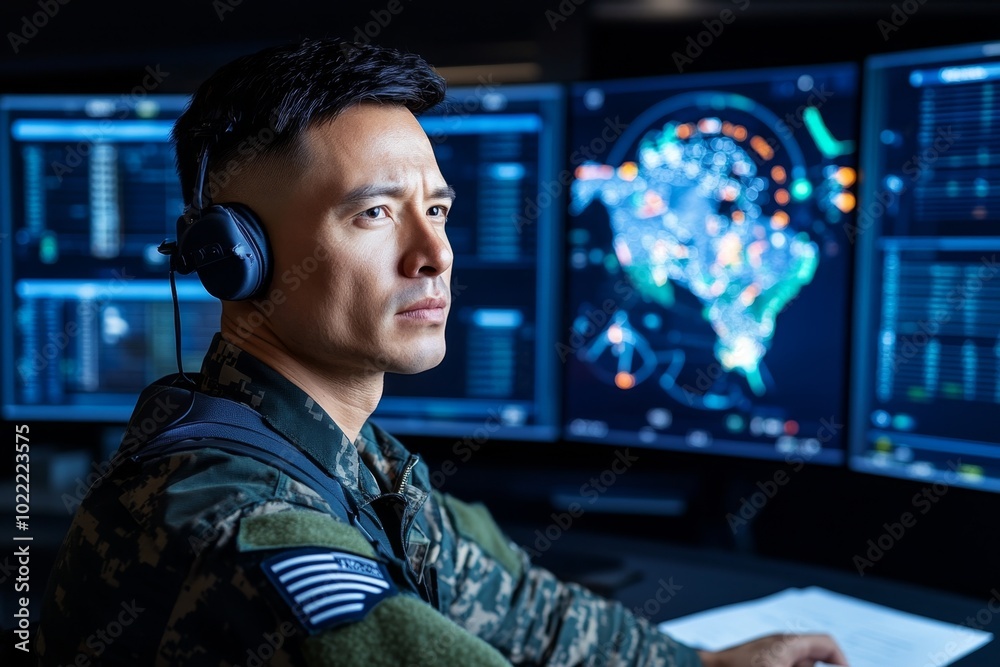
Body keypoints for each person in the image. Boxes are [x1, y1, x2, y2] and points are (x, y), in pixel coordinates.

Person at [36, 37, 848, 667]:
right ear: (235, 257)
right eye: (375, 215)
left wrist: (697, 660)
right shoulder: (254, 534)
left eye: (439, 208)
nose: (436, 254)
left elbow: (515, 604)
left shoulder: (343, 456)